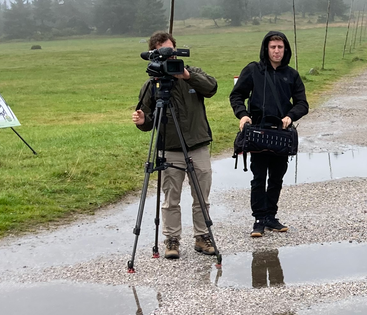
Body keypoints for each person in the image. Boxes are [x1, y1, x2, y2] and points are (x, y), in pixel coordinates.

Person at [132, 31, 219, 260]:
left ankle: (202, 236)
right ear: (153, 56)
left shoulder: (191, 73)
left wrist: (187, 76)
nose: (168, 58)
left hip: (198, 145)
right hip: (170, 148)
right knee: (171, 199)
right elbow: (149, 121)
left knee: (202, 197)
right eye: (161, 53)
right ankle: (172, 239)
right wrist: (142, 121)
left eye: (170, 51)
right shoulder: (152, 85)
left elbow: (211, 88)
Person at [229, 31, 309, 238]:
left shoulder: (291, 75)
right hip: (258, 132)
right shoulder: (253, 70)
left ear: (285, 49)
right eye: (273, 47)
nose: (276, 51)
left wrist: (290, 116)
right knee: (258, 177)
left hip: (281, 134)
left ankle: (271, 217)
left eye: (280, 47)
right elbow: (237, 95)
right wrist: (243, 115)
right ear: (266, 49)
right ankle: (259, 219)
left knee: (276, 177)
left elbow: (302, 103)